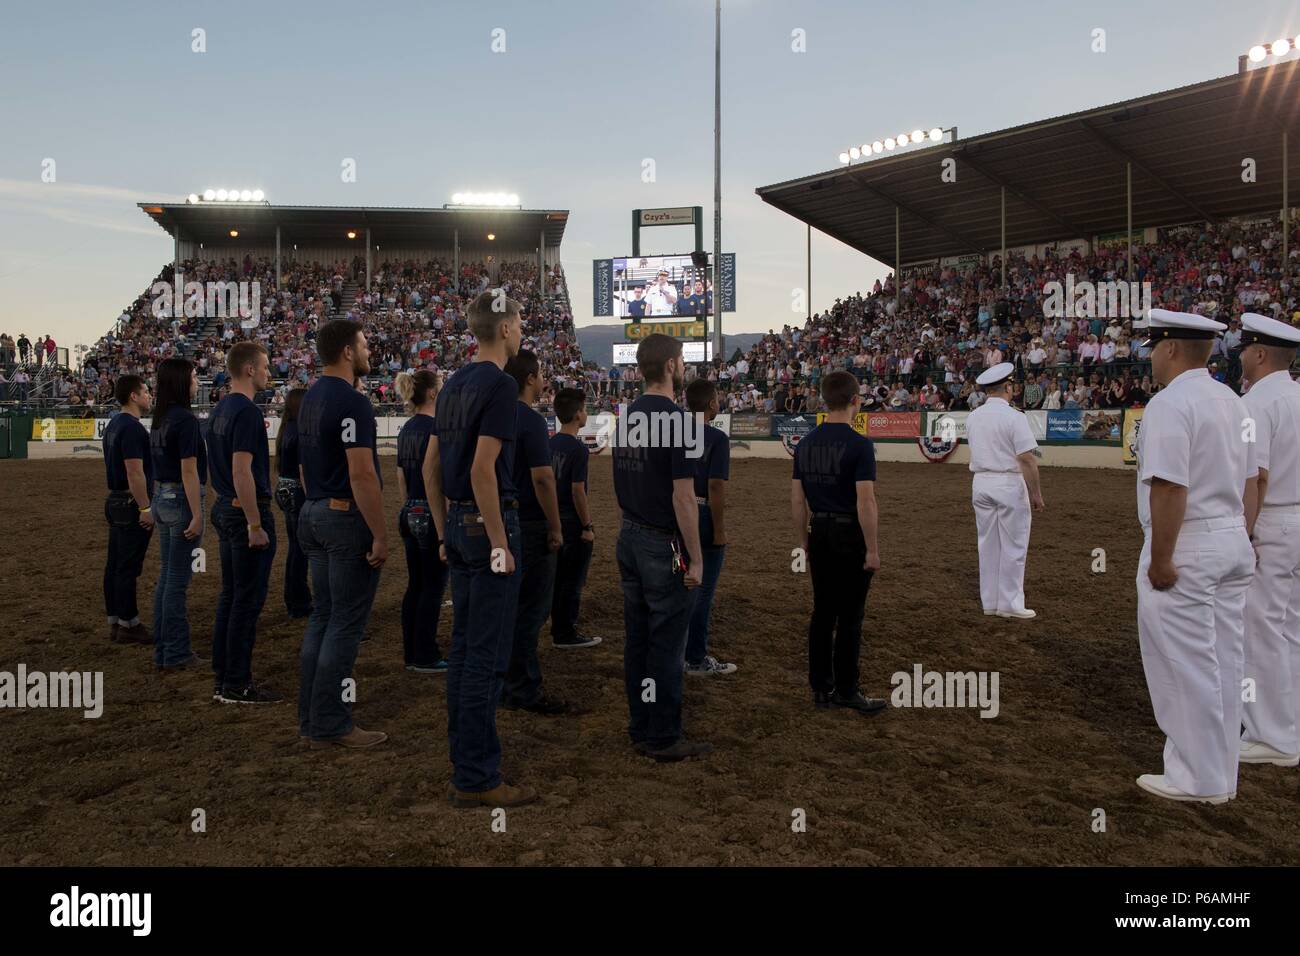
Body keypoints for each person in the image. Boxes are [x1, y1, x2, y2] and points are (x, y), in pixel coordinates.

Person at [1133, 309, 1257, 804]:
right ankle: (1221, 774)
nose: (1150, 361)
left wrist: (1161, 559)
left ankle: (1195, 777)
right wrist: (1242, 537)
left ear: (1169, 348)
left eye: (1153, 350)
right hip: (1230, 538)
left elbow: (1168, 487)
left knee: (1183, 665)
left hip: (1190, 542)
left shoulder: (1170, 404)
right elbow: (1250, 479)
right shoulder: (1233, 401)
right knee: (1225, 662)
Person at [428, 290, 536, 807]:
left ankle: (465, 763)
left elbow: (433, 468)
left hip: (457, 526)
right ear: (508, 328)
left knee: (465, 652)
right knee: (485, 659)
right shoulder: (500, 385)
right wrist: (498, 540)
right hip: (489, 525)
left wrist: (445, 525)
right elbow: (482, 469)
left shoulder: (450, 387)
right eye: (519, 324)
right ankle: (476, 776)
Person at [613, 333, 710, 761]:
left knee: (638, 640)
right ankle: (663, 735)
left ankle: (641, 723)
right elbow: (683, 497)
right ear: (670, 366)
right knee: (667, 644)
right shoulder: (683, 423)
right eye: (682, 360)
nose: (685, 366)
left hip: (629, 534)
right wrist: (697, 557)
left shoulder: (625, 417)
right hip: (661, 541)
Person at [297, 319, 388, 750]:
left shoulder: (310, 397)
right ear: (348, 352)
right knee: (345, 625)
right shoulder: (354, 403)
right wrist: (380, 533)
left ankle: (312, 715)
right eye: (365, 344)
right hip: (342, 516)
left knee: (323, 617)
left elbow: (299, 462)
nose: (369, 351)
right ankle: (332, 721)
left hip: (313, 511)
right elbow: (363, 473)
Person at [790, 371, 885, 713]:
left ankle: (820, 688)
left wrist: (804, 542)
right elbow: (866, 502)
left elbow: (798, 501)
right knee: (850, 616)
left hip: (819, 532)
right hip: (849, 534)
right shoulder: (860, 445)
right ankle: (846, 688)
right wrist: (872, 548)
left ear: (823, 401)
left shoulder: (805, 444)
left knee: (822, 612)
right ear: (855, 401)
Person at [1236, 313, 1300, 767]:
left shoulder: (1256, 403)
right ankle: (1287, 721)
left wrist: (1245, 533)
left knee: (1260, 630)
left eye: (1244, 349)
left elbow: (1256, 477)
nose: (1239, 355)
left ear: (1259, 354)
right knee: (1291, 629)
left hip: (1273, 521)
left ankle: (1272, 736)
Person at [206, 341, 280, 704]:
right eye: (265, 366)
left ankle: (223, 675)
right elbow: (242, 470)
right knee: (246, 602)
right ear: (249, 369)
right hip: (243, 511)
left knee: (231, 596)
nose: (269, 372)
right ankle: (236, 681)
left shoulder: (219, 409)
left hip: (225, 507)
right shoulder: (248, 412)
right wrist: (254, 523)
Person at [501, 349, 569, 713]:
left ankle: (506, 681)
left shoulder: (495, 414)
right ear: (530, 379)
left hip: (501, 520)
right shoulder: (530, 421)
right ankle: (523, 688)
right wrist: (556, 527)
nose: (544, 380)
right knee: (531, 610)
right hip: (529, 522)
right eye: (541, 373)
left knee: (508, 607)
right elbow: (543, 478)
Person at [965, 362, 1045, 619]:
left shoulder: (973, 416)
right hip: (1008, 483)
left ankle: (990, 602)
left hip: (980, 482)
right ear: (1008, 388)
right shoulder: (1015, 417)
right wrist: (1036, 493)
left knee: (987, 544)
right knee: (1014, 545)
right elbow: (1027, 459)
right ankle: (1010, 603)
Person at [149, 357, 207, 672]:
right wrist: (197, 514)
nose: (197, 380)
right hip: (182, 500)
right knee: (176, 582)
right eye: (194, 375)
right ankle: (175, 652)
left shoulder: (161, 418)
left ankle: (164, 650)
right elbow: (189, 469)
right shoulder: (184, 419)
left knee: (167, 578)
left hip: (163, 497)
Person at [395, 369, 449, 674]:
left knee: (415, 584)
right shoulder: (435, 429)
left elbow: (401, 475)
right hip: (431, 512)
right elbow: (439, 478)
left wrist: (408, 506)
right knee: (433, 586)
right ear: (431, 393)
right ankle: (426, 652)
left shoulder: (406, 430)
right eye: (439, 387)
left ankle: (412, 652)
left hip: (410, 509)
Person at [684, 379, 737, 676]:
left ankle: (676, 651)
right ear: (711, 404)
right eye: (716, 399)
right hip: (702, 511)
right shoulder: (716, 439)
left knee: (679, 584)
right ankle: (696, 657)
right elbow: (716, 485)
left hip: (676, 511)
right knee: (702, 588)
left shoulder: (673, 434)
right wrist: (719, 528)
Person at [102, 374, 154, 646]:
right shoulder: (132, 428)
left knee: (115, 566)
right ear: (133, 396)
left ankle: (116, 620)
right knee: (127, 568)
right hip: (129, 503)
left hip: (115, 500)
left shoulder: (113, 425)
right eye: (145, 391)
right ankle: (128, 623)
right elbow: (135, 472)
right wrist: (145, 507)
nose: (148, 395)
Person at [549, 388, 601, 650]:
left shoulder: (549, 443)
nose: (586, 413)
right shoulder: (578, 450)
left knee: (554, 577)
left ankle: (555, 625)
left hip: (551, 518)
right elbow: (577, 490)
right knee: (572, 580)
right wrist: (587, 525)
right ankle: (565, 631)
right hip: (571, 521)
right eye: (584, 409)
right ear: (577, 414)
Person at [274, 388, 312, 619]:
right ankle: (298, 600)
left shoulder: (286, 429)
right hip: (297, 491)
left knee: (295, 549)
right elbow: (303, 471)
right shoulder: (300, 432)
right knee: (301, 550)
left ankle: (295, 597)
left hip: (284, 488)